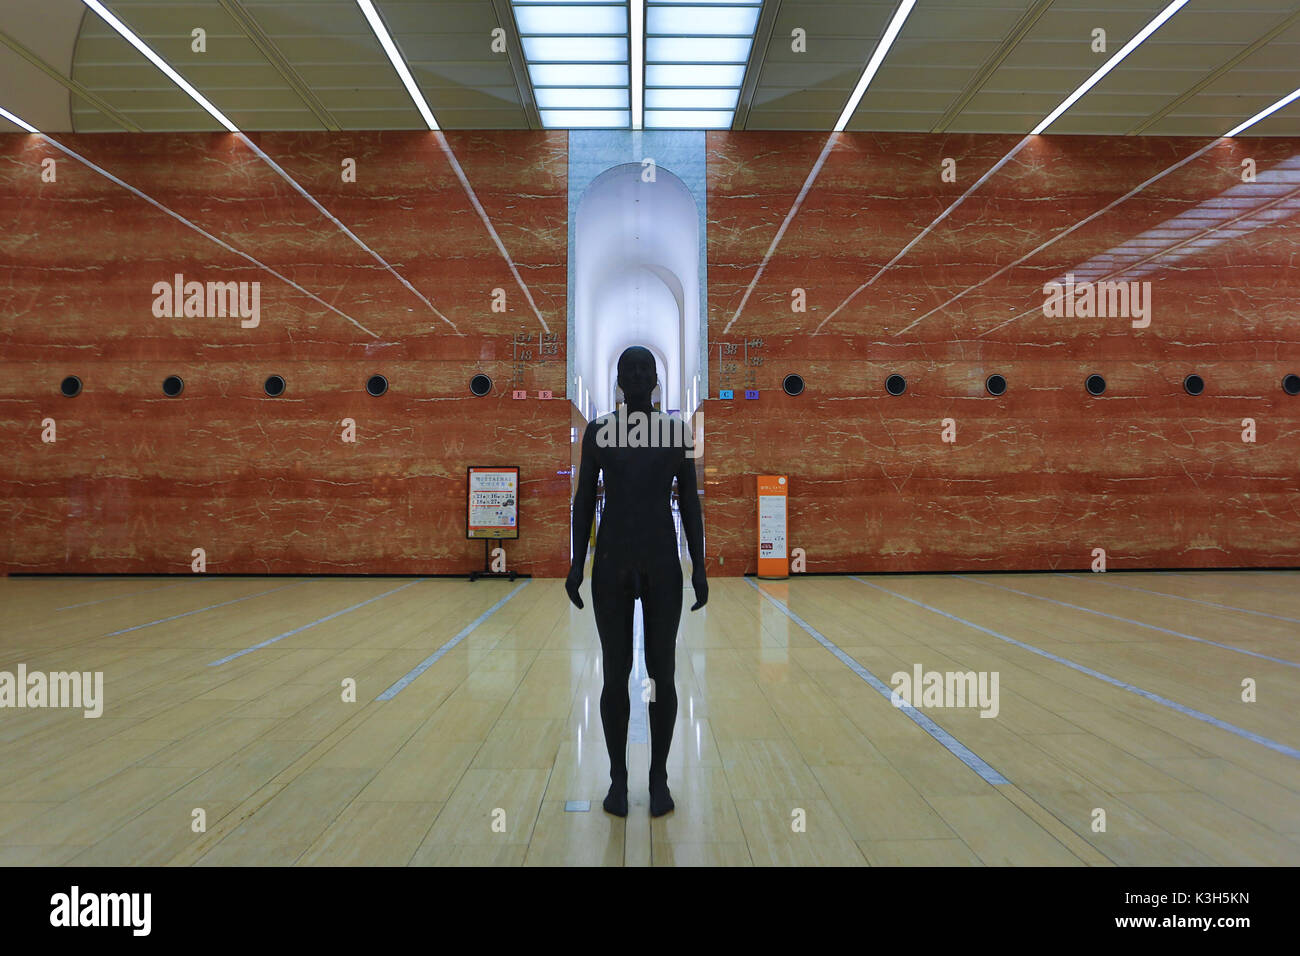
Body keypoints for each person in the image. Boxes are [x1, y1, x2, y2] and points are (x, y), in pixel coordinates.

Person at [566, 346, 707, 817]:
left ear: (657, 379)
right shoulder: (600, 432)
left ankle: (659, 777)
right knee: (615, 674)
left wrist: (700, 565)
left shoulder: (675, 433)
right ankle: (618, 779)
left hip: (663, 564)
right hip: (611, 563)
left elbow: (689, 502)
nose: (639, 374)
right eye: (631, 368)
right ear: (620, 381)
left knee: (662, 674)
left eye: (647, 367)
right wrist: (575, 563)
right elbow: (584, 498)